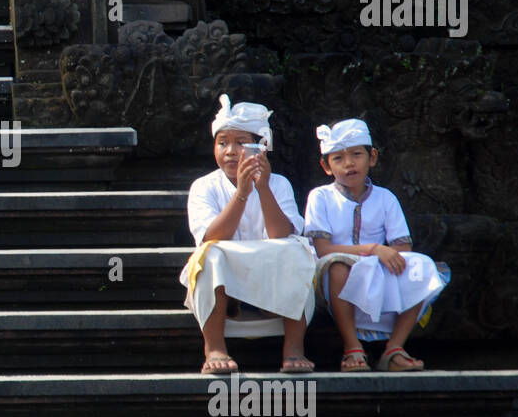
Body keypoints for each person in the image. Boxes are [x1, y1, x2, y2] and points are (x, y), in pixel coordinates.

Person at [180, 95, 317, 375]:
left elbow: (281, 234)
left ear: (261, 147)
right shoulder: (203, 186)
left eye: (241, 142)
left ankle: (293, 348)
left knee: (297, 249)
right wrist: (242, 193)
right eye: (222, 142)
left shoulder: (278, 183)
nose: (230, 151)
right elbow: (211, 237)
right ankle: (215, 346)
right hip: (225, 275)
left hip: (269, 270)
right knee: (210, 255)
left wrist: (262, 188)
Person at [303, 118, 449, 372]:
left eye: (356, 155)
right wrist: (372, 250)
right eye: (338, 158)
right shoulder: (320, 197)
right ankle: (353, 348)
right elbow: (323, 249)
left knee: (422, 266)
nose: (349, 163)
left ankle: (394, 349)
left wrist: (380, 257)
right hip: (335, 271)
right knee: (338, 267)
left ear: (372, 157)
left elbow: (402, 249)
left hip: (377, 268)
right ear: (326, 166)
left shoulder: (386, 198)